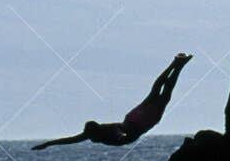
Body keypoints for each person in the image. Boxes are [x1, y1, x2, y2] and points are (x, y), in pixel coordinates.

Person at [33, 53, 192, 150]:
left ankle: (177, 65)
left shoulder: (100, 135)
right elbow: (68, 140)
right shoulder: (92, 133)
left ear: (95, 132)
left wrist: (122, 133)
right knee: (156, 93)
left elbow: (119, 134)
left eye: (91, 137)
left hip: (140, 123)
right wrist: (48, 144)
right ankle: (176, 63)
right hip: (132, 118)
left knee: (163, 96)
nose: (91, 140)